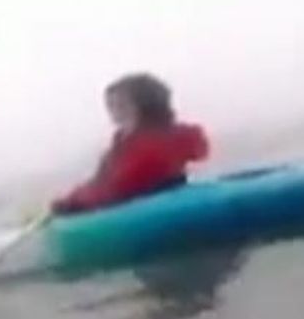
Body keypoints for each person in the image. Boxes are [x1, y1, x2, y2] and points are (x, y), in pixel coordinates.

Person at [51, 73, 210, 216]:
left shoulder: (149, 146)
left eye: (119, 104)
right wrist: (71, 199)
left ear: (143, 106)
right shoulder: (125, 144)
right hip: (144, 202)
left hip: (143, 210)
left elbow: (117, 187)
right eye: (110, 105)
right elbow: (101, 182)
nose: (112, 111)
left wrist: (73, 204)